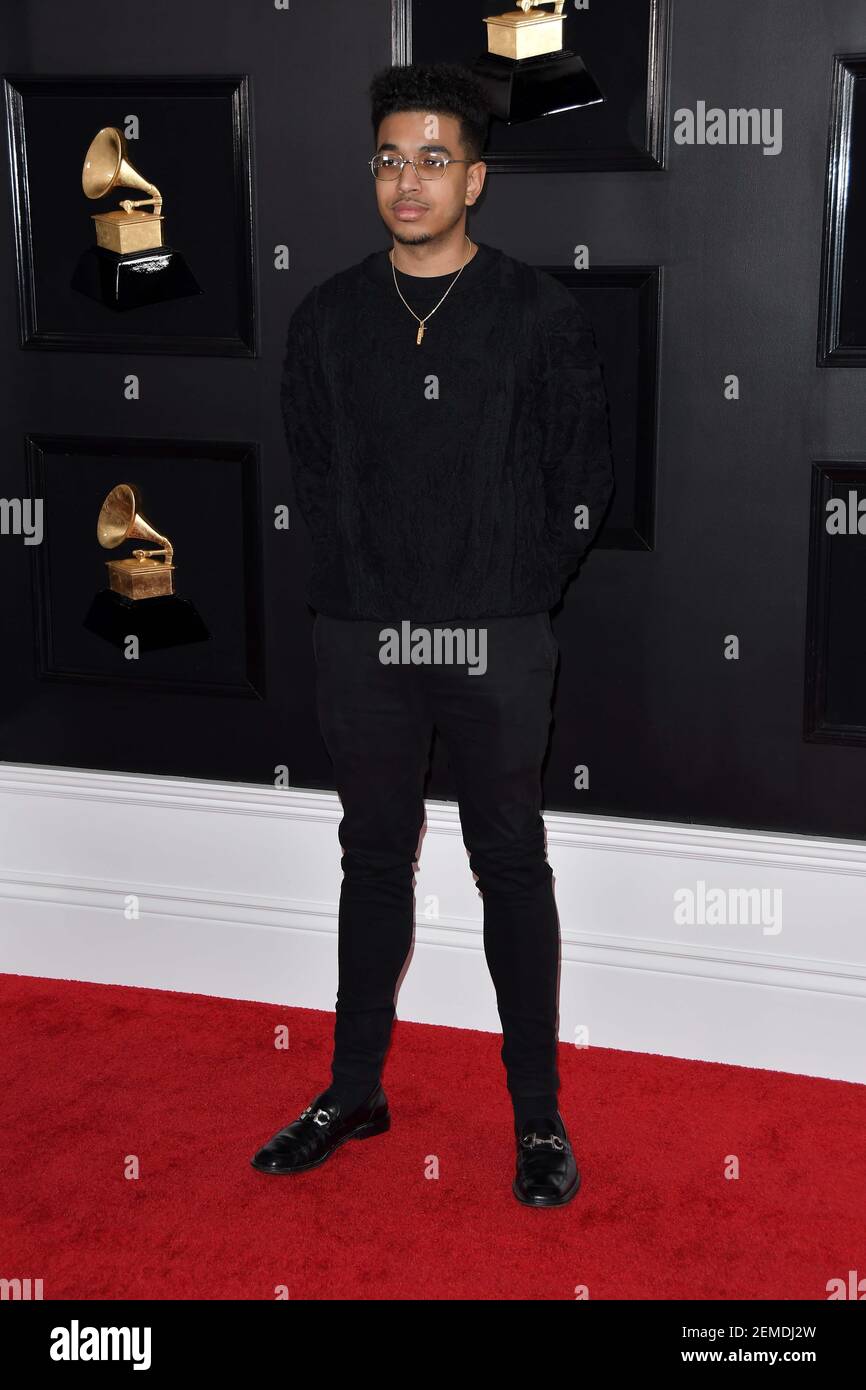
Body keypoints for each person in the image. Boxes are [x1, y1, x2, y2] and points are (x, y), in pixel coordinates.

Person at [251, 62, 614, 1206]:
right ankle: (353, 1086)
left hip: (496, 637)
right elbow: (309, 466)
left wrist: (512, 594)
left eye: (433, 159)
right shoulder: (325, 317)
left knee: (508, 860)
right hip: (361, 636)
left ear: (476, 178)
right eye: (390, 159)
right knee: (372, 857)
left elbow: (581, 478)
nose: (408, 182)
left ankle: (538, 1118)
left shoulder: (537, 312)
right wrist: (358, 590)